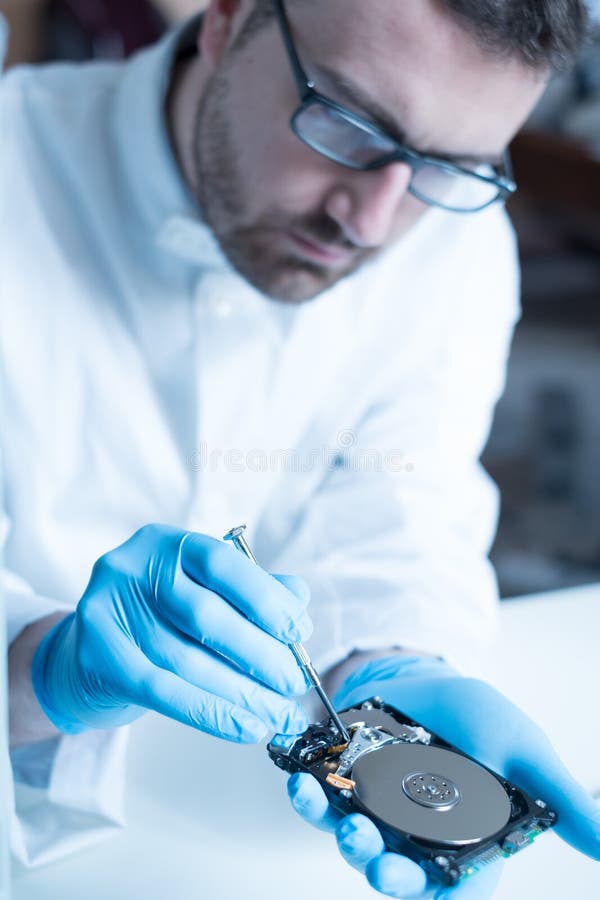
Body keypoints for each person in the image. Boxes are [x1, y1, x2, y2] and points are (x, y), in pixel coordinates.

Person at [1, 0, 598, 892]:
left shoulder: (451, 238)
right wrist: (35, 667)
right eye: (350, 126)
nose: (371, 222)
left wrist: (393, 665)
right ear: (228, 19)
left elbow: (403, 499)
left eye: (454, 165)